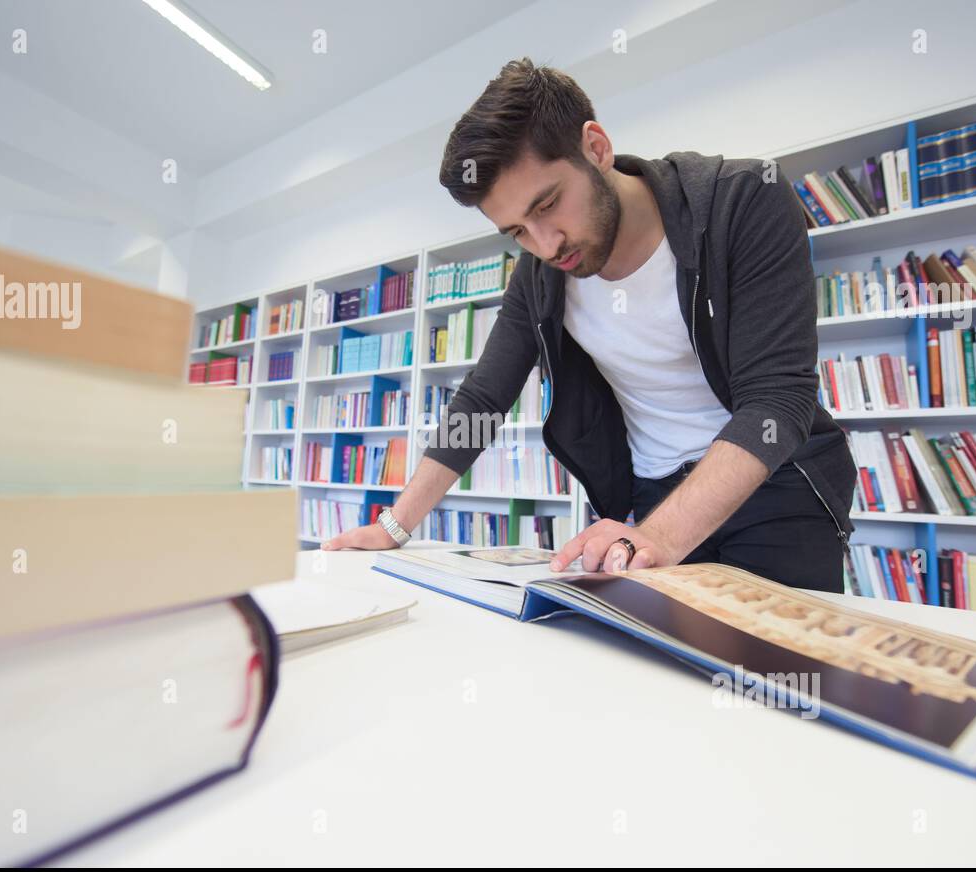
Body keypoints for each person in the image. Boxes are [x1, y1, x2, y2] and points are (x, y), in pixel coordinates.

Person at [323, 57, 856, 591]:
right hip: (653, 496)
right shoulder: (538, 276)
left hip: (779, 486)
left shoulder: (742, 198)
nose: (547, 245)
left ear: (596, 148)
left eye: (549, 204)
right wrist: (395, 526)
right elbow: (483, 399)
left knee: (776, 670)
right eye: (519, 232)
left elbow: (776, 398)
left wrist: (660, 538)